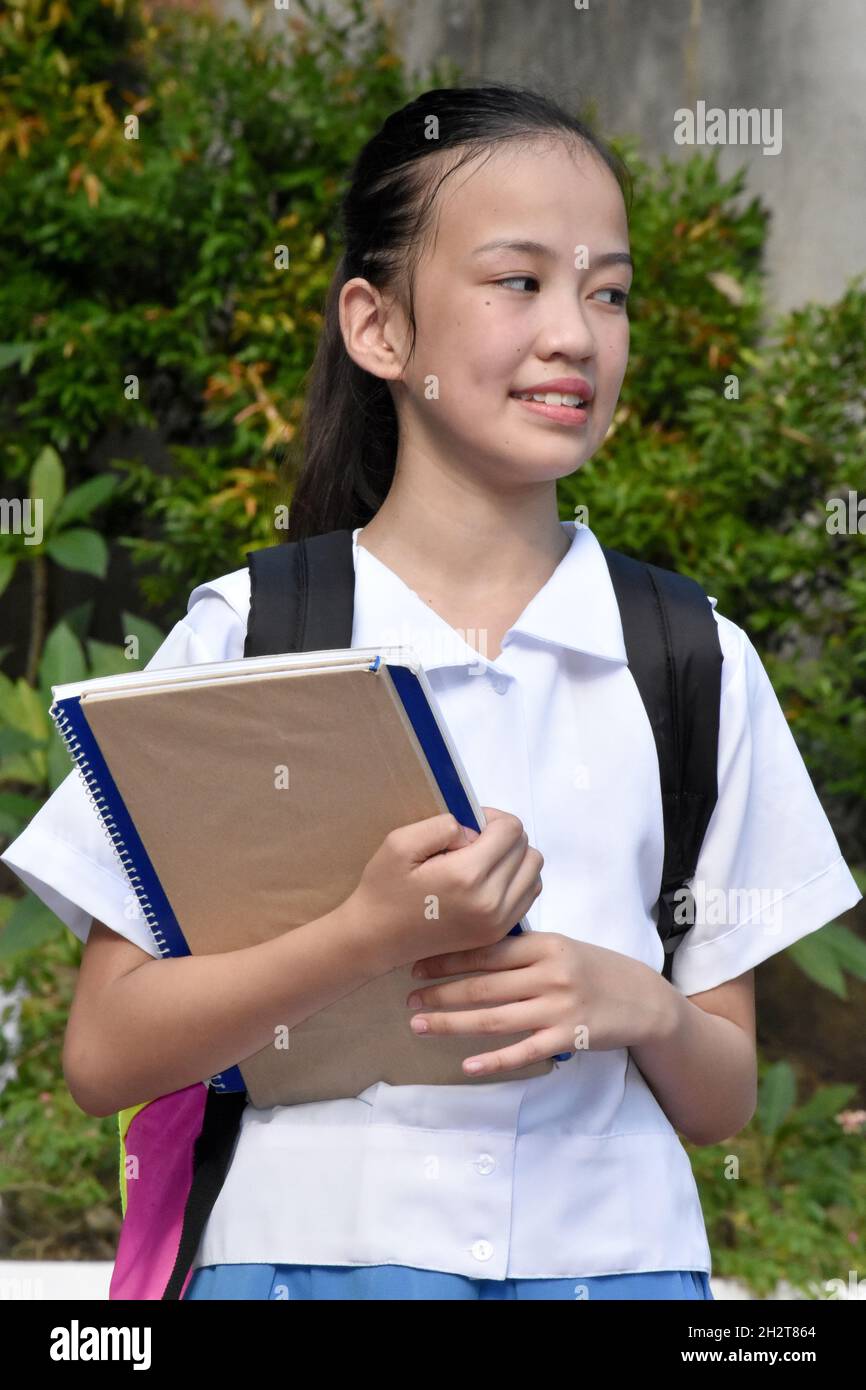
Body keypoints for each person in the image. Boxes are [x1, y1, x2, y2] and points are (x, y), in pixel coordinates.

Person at [2, 83, 861, 1302]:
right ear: (378, 327)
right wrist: (367, 934)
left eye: (606, 292)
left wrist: (638, 1007)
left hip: (615, 1270)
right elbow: (103, 1052)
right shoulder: (249, 637)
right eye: (518, 282)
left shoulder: (692, 658)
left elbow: (719, 1095)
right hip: (306, 1264)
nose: (574, 333)